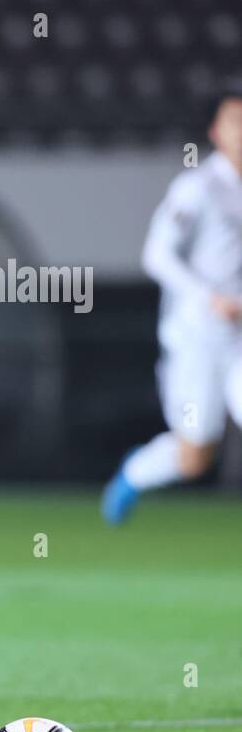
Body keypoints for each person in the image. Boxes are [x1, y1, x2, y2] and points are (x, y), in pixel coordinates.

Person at [102, 88, 242, 523]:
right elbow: (157, 255)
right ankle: (135, 472)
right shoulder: (197, 187)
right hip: (196, 337)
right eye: (235, 122)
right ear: (215, 132)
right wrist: (209, 297)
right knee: (195, 453)